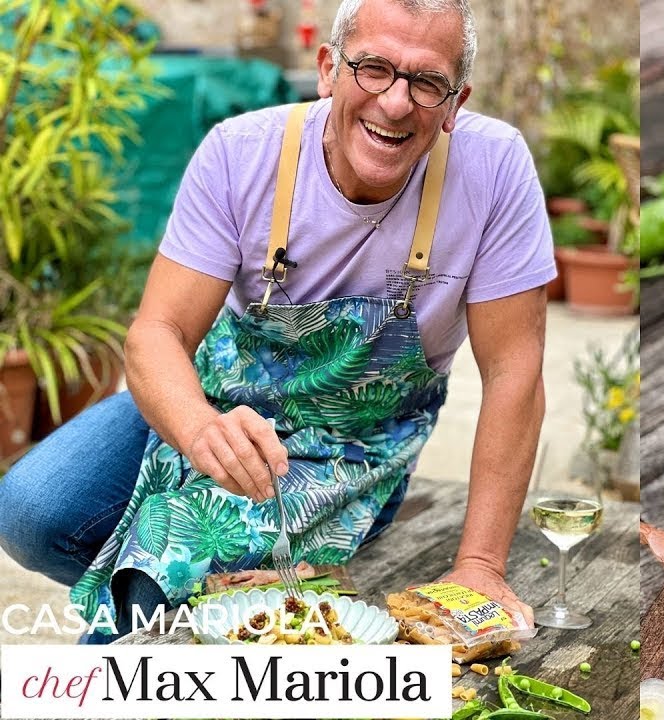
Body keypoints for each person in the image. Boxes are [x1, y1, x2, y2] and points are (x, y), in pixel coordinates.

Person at [0, 0, 551, 641]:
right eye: (372, 69)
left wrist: (479, 565)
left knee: (164, 560)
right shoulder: (241, 153)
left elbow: (515, 369)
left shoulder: (495, 167)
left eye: (427, 83)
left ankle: (163, 626)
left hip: (357, 447)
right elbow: (157, 334)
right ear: (327, 68)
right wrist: (200, 428)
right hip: (218, 404)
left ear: (456, 102)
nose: (396, 103)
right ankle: (216, 604)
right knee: (30, 510)